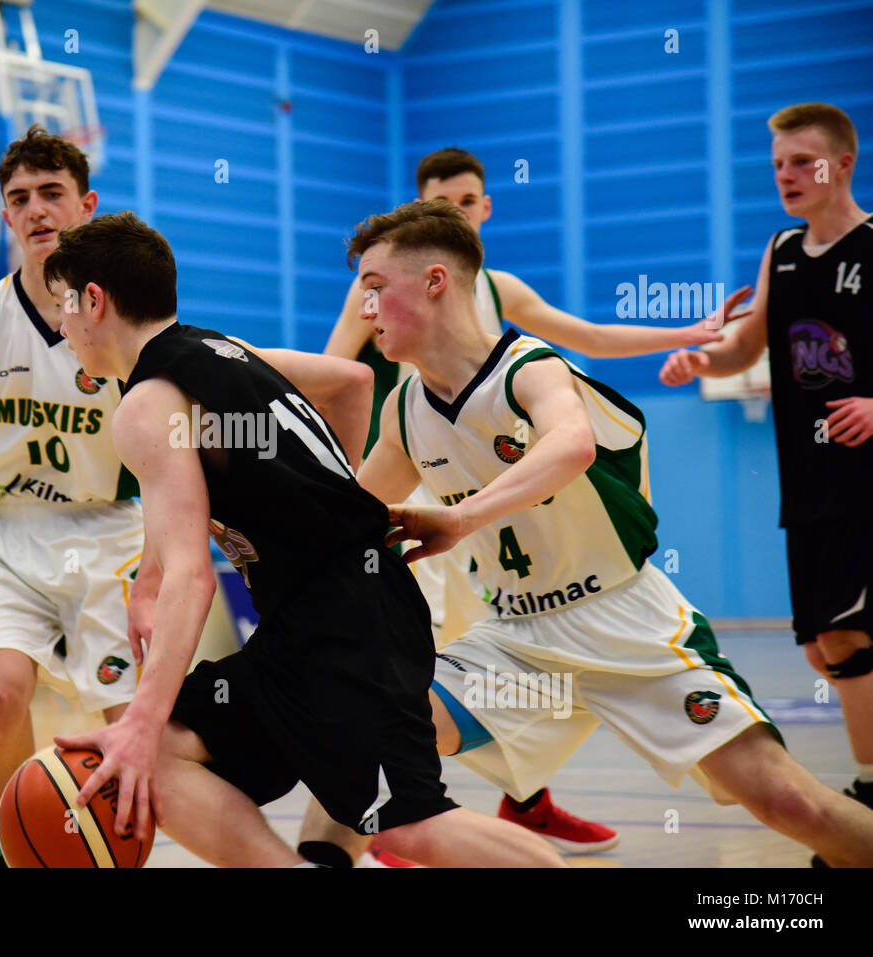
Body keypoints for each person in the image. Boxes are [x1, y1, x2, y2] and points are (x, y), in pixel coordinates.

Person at [298, 197, 873, 867]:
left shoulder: (528, 369)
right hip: (517, 641)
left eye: (374, 288)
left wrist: (459, 517)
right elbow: (346, 522)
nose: (362, 309)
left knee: (791, 805)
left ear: (435, 282)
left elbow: (569, 447)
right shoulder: (405, 410)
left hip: (627, 624)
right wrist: (237, 521)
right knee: (371, 719)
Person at [42, 210, 565, 867]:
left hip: (344, 626)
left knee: (409, 827)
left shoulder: (145, 403)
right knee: (161, 752)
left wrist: (140, 718)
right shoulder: (222, 351)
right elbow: (354, 382)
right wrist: (323, 501)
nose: (61, 326)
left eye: (64, 305)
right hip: (310, 624)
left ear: (95, 300)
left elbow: (193, 576)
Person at [320, 147, 732, 857]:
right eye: (444, 202)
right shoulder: (383, 290)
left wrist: (687, 333)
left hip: (503, 494)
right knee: (447, 652)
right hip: (417, 476)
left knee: (520, 641)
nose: (461, 210)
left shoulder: (503, 300)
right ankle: (412, 805)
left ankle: (504, 803)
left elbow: (589, 338)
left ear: (486, 209)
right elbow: (338, 375)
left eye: (470, 200)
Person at [0, 127, 143, 868]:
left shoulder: (128, 315)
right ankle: (8, 839)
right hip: (5, 534)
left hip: (111, 534)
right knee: (0, 693)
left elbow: (175, 448)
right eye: (19, 198)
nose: (37, 209)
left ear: (87, 204)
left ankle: (116, 849)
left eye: (52, 193)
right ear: (5, 215)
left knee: (129, 727)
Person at [660, 102, 873, 865]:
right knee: (823, 649)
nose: (785, 175)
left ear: (842, 164)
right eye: (778, 162)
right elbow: (744, 345)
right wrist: (700, 358)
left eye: (802, 161)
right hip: (807, 478)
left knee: (851, 635)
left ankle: (870, 794)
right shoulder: (781, 250)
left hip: (864, 480)